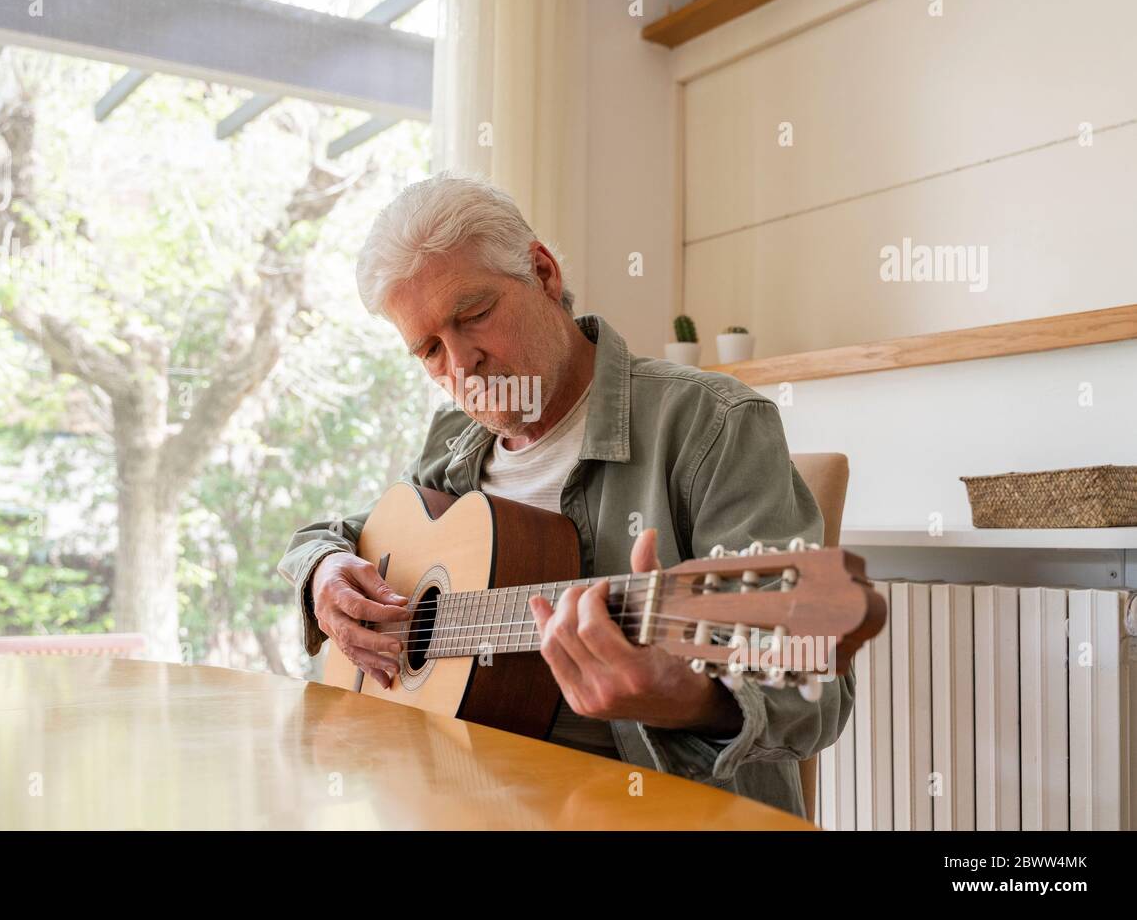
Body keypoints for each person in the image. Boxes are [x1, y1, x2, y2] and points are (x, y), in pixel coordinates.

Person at [278, 173, 853, 818]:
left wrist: (689, 697)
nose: (462, 365)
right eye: (430, 350)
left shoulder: (709, 423)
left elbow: (815, 687)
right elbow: (345, 537)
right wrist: (324, 573)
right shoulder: (455, 439)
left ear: (543, 272)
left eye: (474, 316)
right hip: (460, 801)